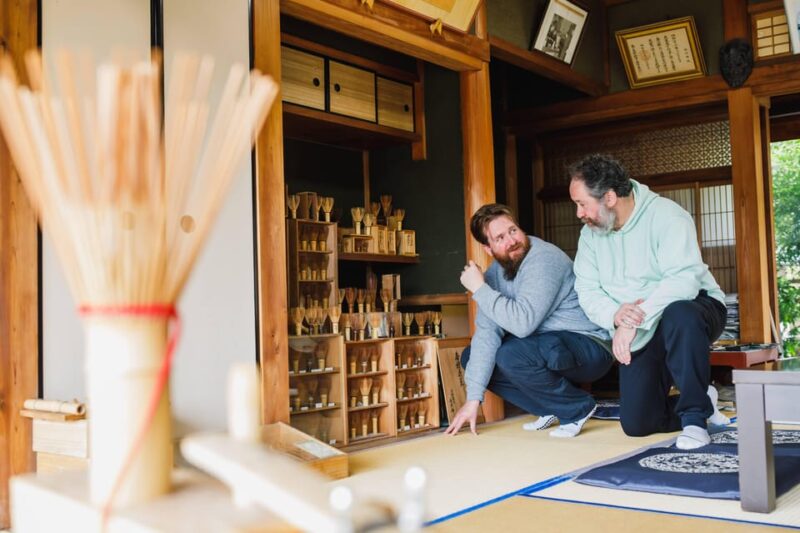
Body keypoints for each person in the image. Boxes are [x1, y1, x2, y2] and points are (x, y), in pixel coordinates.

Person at [568, 153, 729, 450]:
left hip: (695, 306)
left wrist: (634, 318)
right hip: (640, 325)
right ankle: (703, 399)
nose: (579, 213)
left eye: (582, 204)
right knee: (638, 423)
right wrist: (616, 315)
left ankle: (694, 419)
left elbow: (683, 281)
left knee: (679, 313)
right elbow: (587, 289)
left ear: (609, 198)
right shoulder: (589, 236)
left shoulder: (667, 216)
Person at [444, 203, 613, 438]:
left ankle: (577, 408)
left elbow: (523, 324)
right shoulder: (493, 275)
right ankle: (549, 408)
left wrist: (480, 290)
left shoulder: (543, 258)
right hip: (547, 347)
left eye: (513, 230)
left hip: (589, 346)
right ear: (488, 248)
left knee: (510, 354)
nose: (512, 240)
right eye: (500, 238)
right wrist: (473, 400)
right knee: (472, 356)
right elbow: (486, 335)